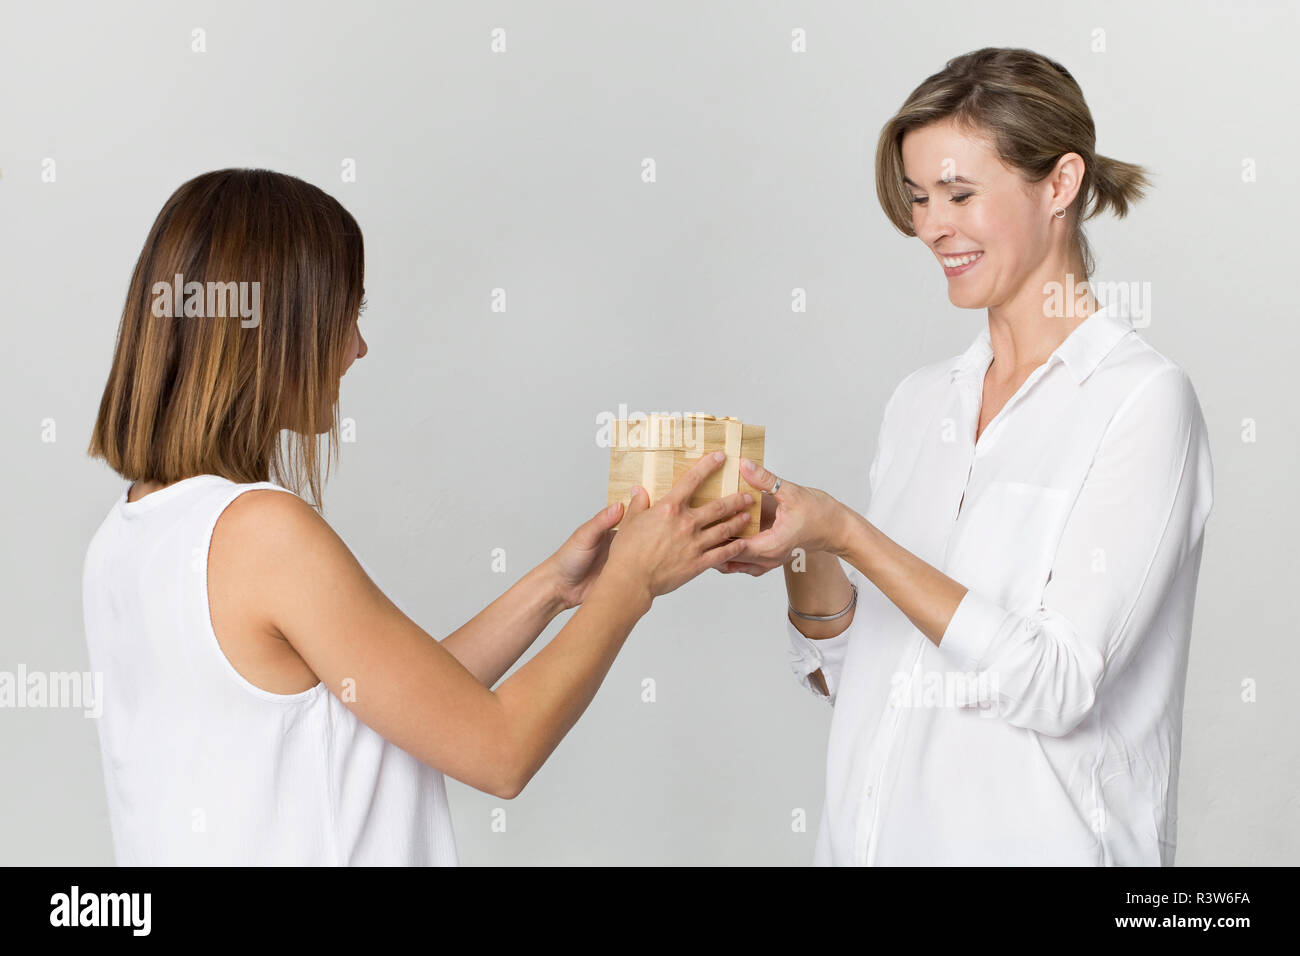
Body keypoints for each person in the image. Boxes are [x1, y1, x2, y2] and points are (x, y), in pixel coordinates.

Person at [82, 168, 753, 865]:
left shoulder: (126, 537)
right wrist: (631, 586)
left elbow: (392, 710)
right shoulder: (259, 532)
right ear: (278, 327)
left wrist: (557, 588)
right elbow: (499, 750)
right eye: (348, 315)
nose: (357, 350)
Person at [721, 47, 1214, 866]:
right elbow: (858, 679)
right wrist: (798, 539)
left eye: (958, 193)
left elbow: (1058, 685)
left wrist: (847, 531)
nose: (930, 226)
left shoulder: (1142, 402)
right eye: (918, 198)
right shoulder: (921, 403)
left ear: (1059, 184)